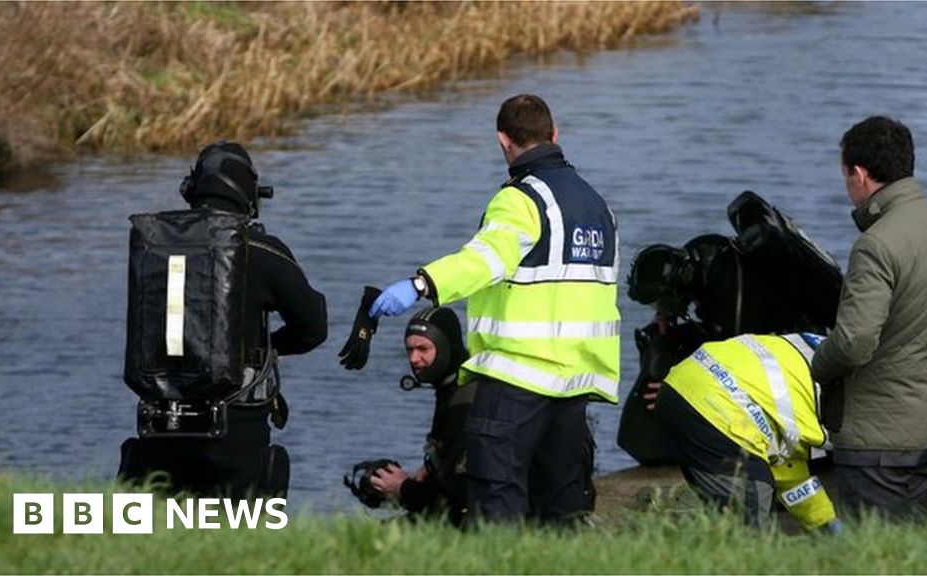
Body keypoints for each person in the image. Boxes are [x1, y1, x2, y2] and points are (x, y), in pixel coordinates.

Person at [366, 94, 618, 523]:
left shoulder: (521, 199)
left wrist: (420, 283)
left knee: (494, 501)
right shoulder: (598, 206)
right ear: (555, 135)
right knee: (561, 509)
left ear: (503, 141)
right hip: (576, 382)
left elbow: (484, 260)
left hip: (518, 377)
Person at [119, 141, 328, 498]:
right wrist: (266, 348)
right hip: (236, 423)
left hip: (159, 420)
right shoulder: (259, 249)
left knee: (158, 528)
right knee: (239, 531)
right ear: (249, 194)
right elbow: (313, 328)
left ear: (191, 189)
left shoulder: (154, 243)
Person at [811, 116, 927, 519]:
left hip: (877, 440)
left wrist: (816, 365)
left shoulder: (875, 245)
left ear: (859, 174)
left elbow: (854, 342)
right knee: (910, 551)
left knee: (873, 555)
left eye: (845, 176)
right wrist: (925, 349)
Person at [619, 191, 843, 466]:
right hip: (764, 334)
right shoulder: (699, 256)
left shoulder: (731, 289)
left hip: (787, 346)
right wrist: (664, 323)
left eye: (660, 303)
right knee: (665, 343)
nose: (659, 312)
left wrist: (674, 384)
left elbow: (735, 355)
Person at [648, 332, 842, 532]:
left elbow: (788, 468)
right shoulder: (841, 408)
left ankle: (676, 522)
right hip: (717, 409)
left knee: (729, 508)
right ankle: (672, 523)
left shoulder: (826, 349)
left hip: (682, 385)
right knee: (751, 521)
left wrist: (824, 521)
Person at [365, 307, 475, 526]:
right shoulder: (450, 387)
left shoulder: (465, 400)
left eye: (423, 349)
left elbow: (458, 490)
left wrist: (401, 488)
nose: (414, 359)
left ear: (445, 347)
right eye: (409, 350)